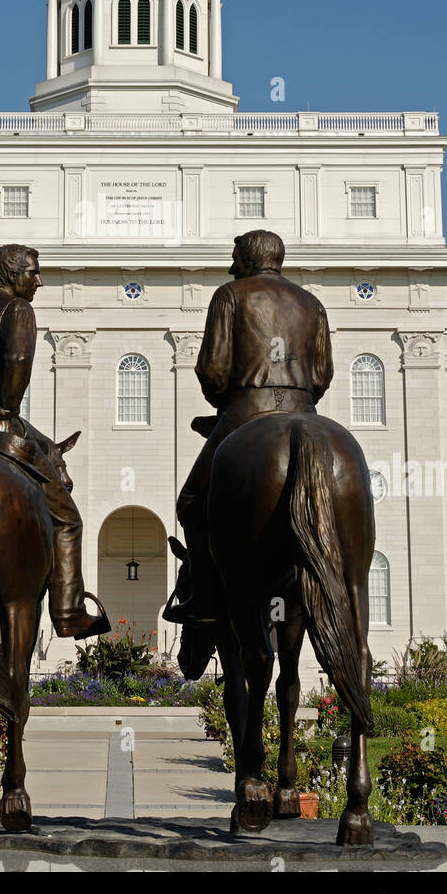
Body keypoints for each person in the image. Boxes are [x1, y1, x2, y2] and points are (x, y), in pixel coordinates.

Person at [0, 243, 110, 640]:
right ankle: (69, 612)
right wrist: (6, 418)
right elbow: (16, 366)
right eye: (33, 273)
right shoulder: (17, 310)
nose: (38, 281)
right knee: (67, 517)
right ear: (13, 275)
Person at [164, 229, 334, 625]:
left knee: (190, 504)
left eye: (235, 257)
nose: (230, 265)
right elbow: (322, 375)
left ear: (248, 259)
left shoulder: (230, 295)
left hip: (245, 412)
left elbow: (213, 369)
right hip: (306, 411)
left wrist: (224, 404)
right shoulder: (312, 303)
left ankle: (203, 596)